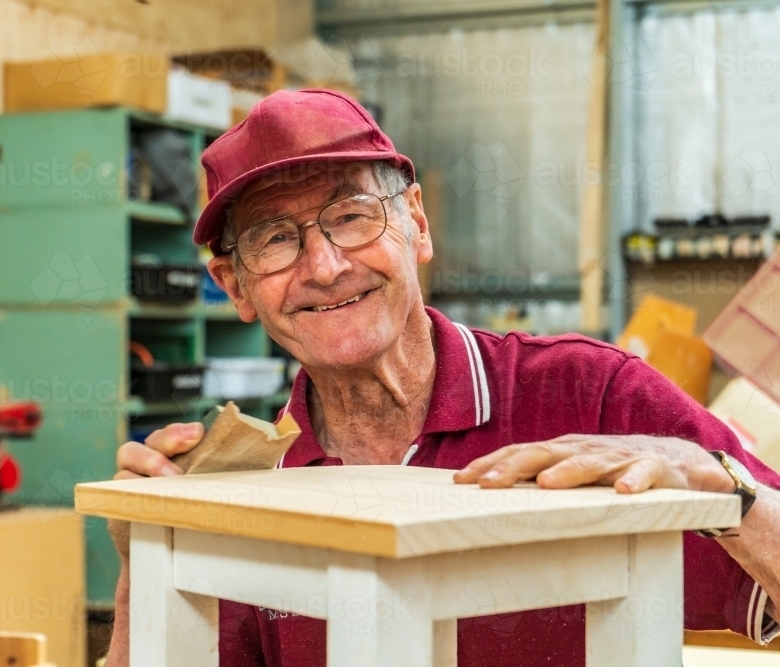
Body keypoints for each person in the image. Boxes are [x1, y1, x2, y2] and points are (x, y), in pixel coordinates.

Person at [105, 89, 779, 667]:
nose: (325, 265)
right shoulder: (245, 492)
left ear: (416, 223)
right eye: (276, 239)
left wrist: (711, 478)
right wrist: (152, 558)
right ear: (234, 286)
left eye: (350, 216)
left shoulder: (588, 396)